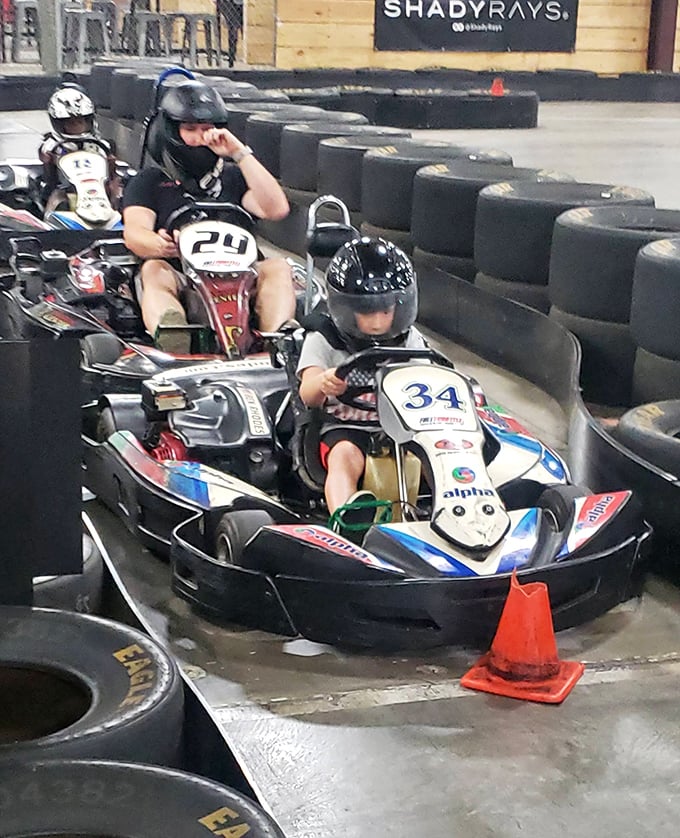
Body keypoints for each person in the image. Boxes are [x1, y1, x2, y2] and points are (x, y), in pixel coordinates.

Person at [121, 79, 294, 354]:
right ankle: (174, 338)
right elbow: (134, 233)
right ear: (172, 131)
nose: (201, 137)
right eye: (191, 129)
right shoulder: (151, 181)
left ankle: (280, 341)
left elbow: (276, 209)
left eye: (207, 129)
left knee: (278, 267)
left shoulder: (234, 178)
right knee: (153, 270)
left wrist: (239, 153)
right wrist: (159, 245)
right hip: (183, 277)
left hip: (241, 277)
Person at [297, 237, 426, 531]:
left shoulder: (410, 340)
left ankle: (464, 508)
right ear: (347, 307)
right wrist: (324, 382)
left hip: (400, 429)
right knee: (344, 458)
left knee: (438, 453)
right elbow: (307, 393)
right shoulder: (325, 337)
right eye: (368, 312)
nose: (378, 322)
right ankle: (347, 519)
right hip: (345, 428)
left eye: (385, 310)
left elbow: (427, 379)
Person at [38, 82, 117, 212]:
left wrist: (111, 163)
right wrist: (50, 161)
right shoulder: (51, 145)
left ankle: (120, 215)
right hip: (66, 188)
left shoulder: (102, 145)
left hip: (98, 189)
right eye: (71, 123)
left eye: (80, 122)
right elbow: (49, 175)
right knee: (57, 198)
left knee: (117, 191)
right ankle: (50, 224)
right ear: (59, 123)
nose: (76, 126)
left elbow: (112, 175)